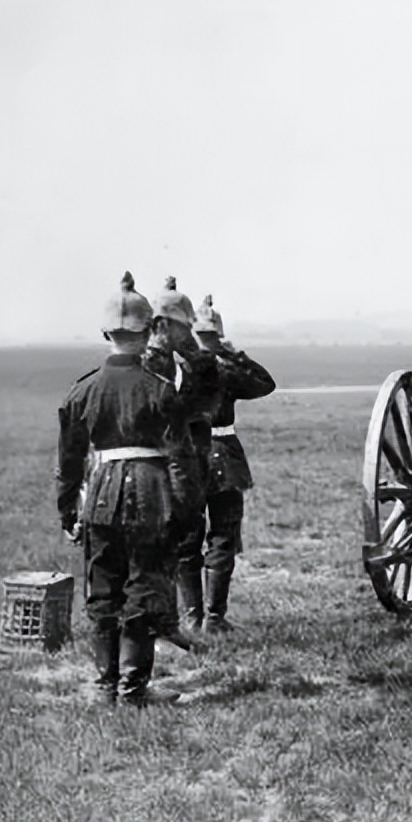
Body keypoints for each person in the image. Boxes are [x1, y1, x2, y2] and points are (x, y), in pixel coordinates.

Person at [55, 272, 189, 707]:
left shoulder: (82, 391)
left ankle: (104, 686)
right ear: (149, 331)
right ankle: (133, 689)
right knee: (143, 586)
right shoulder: (162, 391)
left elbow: (68, 463)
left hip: (100, 495)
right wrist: (185, 512)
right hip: (151, 496)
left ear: (106, 333)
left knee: (103, 588)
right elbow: (181, 460)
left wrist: (68, 512)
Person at [183, 295, 277, 633]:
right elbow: (265, 383)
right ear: (218, 334)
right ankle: (214, 618)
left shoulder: (179, 368)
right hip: (223, 456)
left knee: (187, 537)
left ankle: (192, 617)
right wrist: (234, 354)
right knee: (222, 537)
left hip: (186, 458)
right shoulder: (226, 369)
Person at [142, 277, 221, 652]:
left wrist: (199, 358)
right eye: (182, 327)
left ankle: (166, 624)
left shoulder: (170, 363)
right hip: (156, 468)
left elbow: (206, 403)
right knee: (157, 550)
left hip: (175, 465)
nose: (188, 334)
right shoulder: (149, 365)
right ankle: (158, 628)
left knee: (172, 547)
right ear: (162, 326)